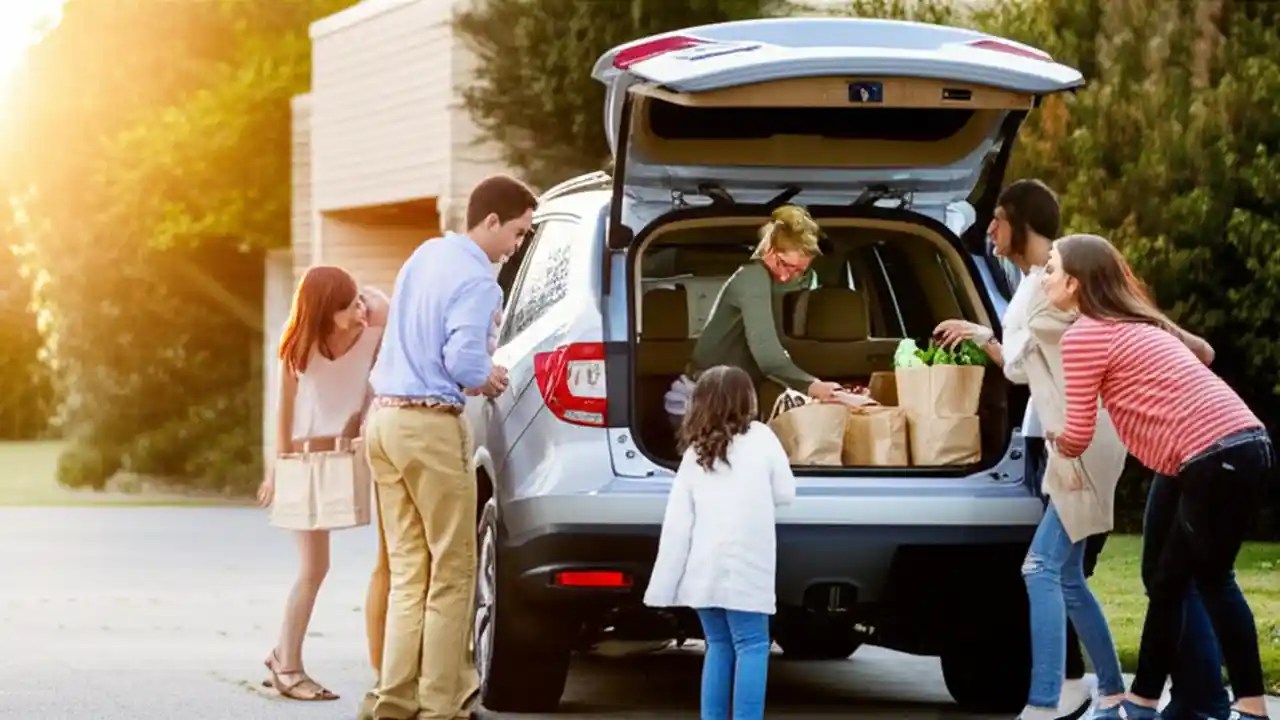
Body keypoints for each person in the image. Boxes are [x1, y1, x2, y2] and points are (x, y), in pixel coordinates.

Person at [1045, 233, 1273, 720]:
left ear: (1074, 282)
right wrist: (1163, 334)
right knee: (1166, 579)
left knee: (1211, 579)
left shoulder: (1084, 335)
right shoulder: (1137, 322)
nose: (1044, 277)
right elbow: (1207, 355)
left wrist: (1054, 436)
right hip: (1235, 446)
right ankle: (1146, 699)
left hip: (1214, 457)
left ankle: (1251, 708)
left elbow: (1079, 434)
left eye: (1050, 268)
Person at [935, 180, 1127, 720]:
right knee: (1062, 573)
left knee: (1041, 568)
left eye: (997, 219)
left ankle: (1046, 700)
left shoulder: (1055, 283)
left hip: (1078, 438)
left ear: (1023, 222)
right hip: (1055, 435)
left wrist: (989, 337)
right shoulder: (1030, 283)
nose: (988, 230)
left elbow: (1034, 354)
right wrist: (985, 335)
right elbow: (1022, 365)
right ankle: (1108, 691)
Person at [360, 174, 536, 720]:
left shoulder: (424, 255)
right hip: (431, 429)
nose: (516, 245)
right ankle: (442, 704)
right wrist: (489, 375)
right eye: (516, 232)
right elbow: (462, 364)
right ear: (489, 222)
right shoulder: (480, 281)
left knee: (410, 570)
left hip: (384, 422)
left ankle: (393, 700)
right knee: (454, 569)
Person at [256, 265, 388, 701]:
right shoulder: (299, 346)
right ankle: (287, 666)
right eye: (349, 307)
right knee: (314, 568)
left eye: (358, 301)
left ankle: (282, 657)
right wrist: (277, 467)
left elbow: (384, 317)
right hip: (303, 459)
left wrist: (366, 300)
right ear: (326, 313)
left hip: (345, 455)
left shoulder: (374, 322)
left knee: (318, 567)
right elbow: (283, 409)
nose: (359, 311)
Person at [644, 365, 796, 720]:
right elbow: (786, 493)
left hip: (704, 571)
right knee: (753, 645)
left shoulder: (694, 454)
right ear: (748, 400)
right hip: (748, 567)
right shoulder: (762, 438)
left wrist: (666, 582)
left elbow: (678, 524)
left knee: (718, 645)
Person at [665, 205, 844, 426]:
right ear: (769, 249)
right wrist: (815, 387)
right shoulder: (751, 278)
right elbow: (767, 356)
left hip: (733, 399)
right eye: (785, 264)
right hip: (700, 399)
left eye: (800, 270)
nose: (788, 276)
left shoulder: (779, 281)